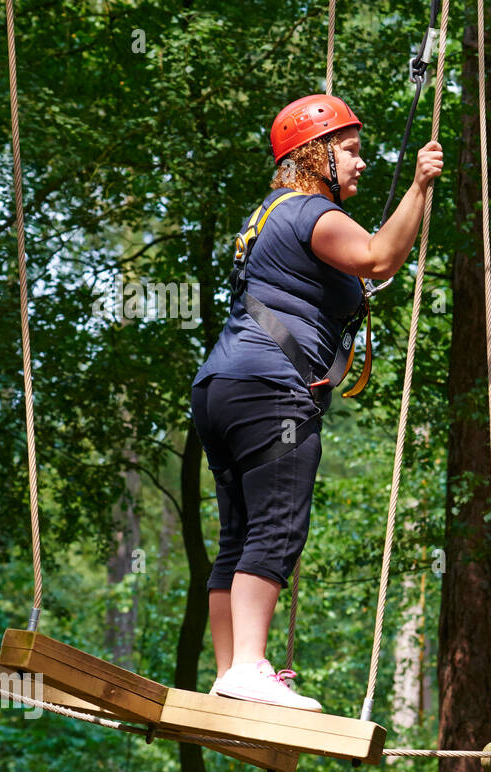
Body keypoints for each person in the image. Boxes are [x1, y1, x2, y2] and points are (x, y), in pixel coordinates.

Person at [191, 94, 444, 711]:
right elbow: (381, 258)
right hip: (270, 390)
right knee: (278, 524)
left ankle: (231, 673)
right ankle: (249, 666)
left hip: (222, 390)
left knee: (239, 534)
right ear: (315, 153)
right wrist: (419, 185)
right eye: (351, 151)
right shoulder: (310, 212)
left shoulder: (267, 217)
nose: (362, 162)